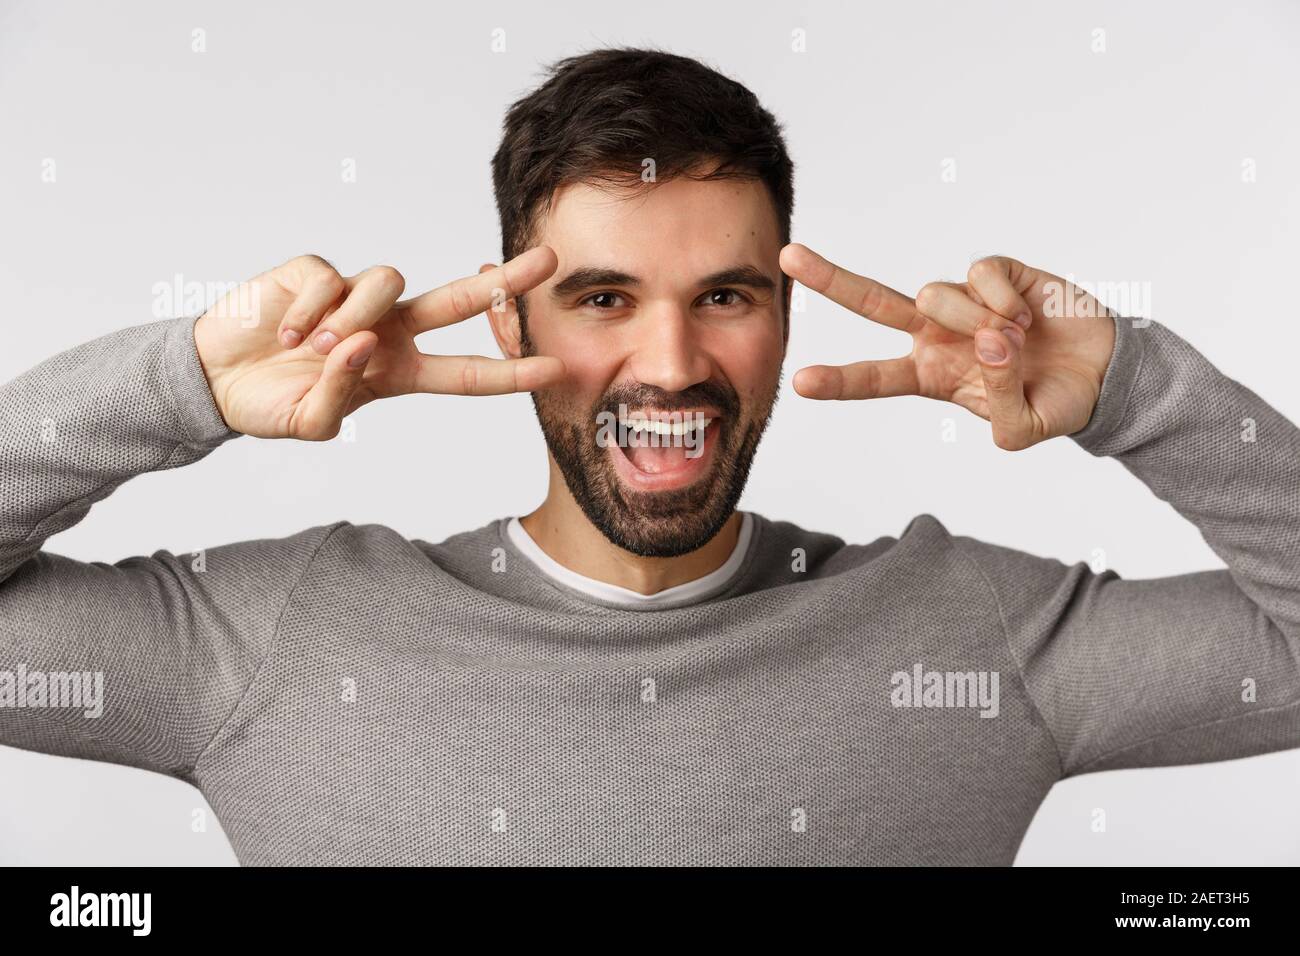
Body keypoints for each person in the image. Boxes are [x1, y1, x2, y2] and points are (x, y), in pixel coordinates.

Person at [2, 48, 1297, 866]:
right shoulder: (282, 639)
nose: (673, 364)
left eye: (727, 297)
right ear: (511, 319)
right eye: (606, 299)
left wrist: (1136, 390)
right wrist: (184, 388)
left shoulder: (966, 635)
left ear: (783, 315)